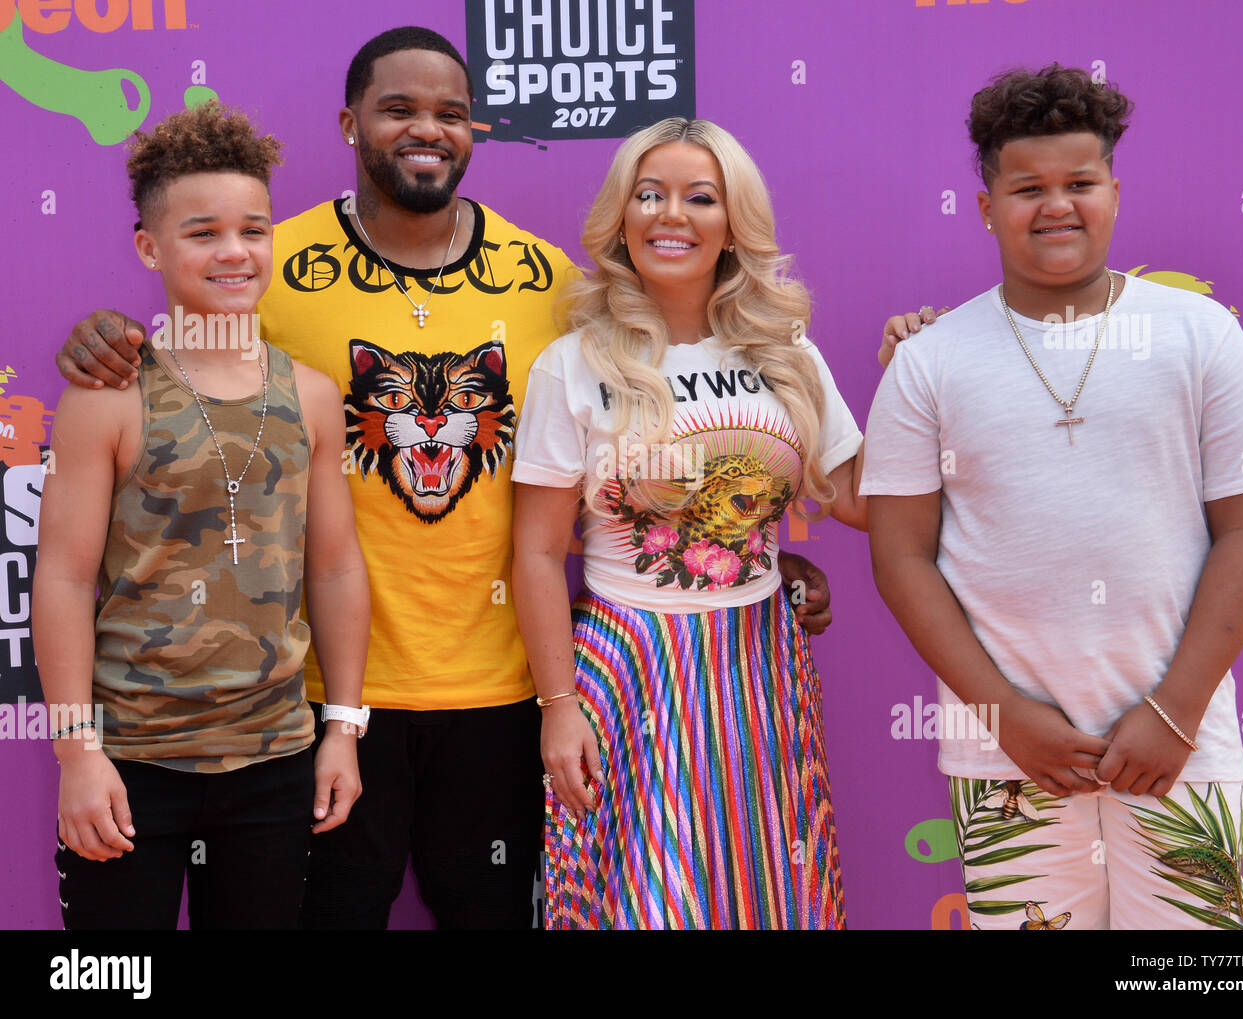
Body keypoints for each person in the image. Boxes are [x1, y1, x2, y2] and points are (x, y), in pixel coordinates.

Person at [54, 28, 836, 929]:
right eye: (399, 109)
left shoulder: (553, 284)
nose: (426, 130)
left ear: (475, 132)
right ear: (349, 123)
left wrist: (748, 552)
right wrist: (104, 333)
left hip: (506, 692)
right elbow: (188, 334)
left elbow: (651, 430)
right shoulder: (271, 265)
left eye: (450, 114)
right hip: (325, 707)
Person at [862, 65, 1243, 929]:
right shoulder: (930, 362)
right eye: (1027, 187)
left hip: (1185, 750)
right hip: (1006, 760)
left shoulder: (1202, 335)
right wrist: (1005, 715)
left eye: (1079, 184)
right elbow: (901, 556)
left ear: (1114, 192)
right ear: (986, 206)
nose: (1055, 205)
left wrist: (1174, 713)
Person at [512, 118, 869, 929]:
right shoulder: (572, 364)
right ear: (622, 216)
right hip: (625, 666)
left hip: (759, 664)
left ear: (732, 223)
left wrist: (929, 370)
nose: (672, 215)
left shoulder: (786, 354)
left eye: (699, 198)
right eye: (651, 194)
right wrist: (557, 706)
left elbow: (863, 500)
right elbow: (535, 555)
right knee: (641, 900)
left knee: (766, 886)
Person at [33, 103, 367, 930]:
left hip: (276, 759)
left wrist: (344, 729)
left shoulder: (314, 397)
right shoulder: (107, 399)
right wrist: (78, 753)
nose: (232, 251)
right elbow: (66, 577)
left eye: (253, 230)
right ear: (150, 246)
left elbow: (333, 567)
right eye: (202, 232)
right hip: (130, 762)